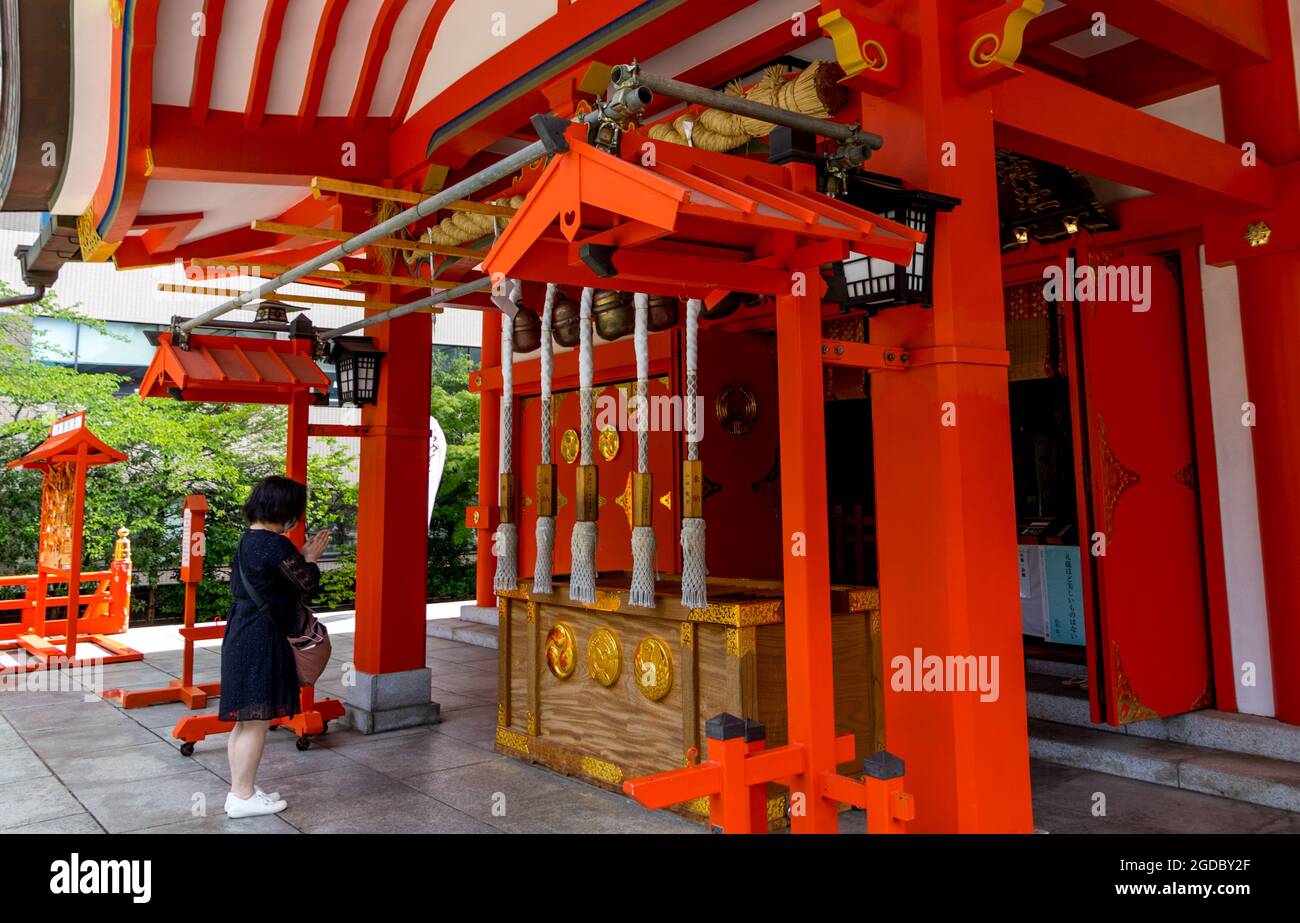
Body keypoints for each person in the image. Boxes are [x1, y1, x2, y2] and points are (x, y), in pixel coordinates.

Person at [220, 475, 331, 819]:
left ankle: (240, 791)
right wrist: (310, 557)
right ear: (285, 510)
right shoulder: (275, 544)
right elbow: (306, 583)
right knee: (256, 720)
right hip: (262, 637)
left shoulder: (248, 540)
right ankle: (243, 795)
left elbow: (274, 582)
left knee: (244, 720)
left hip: (241, 630)